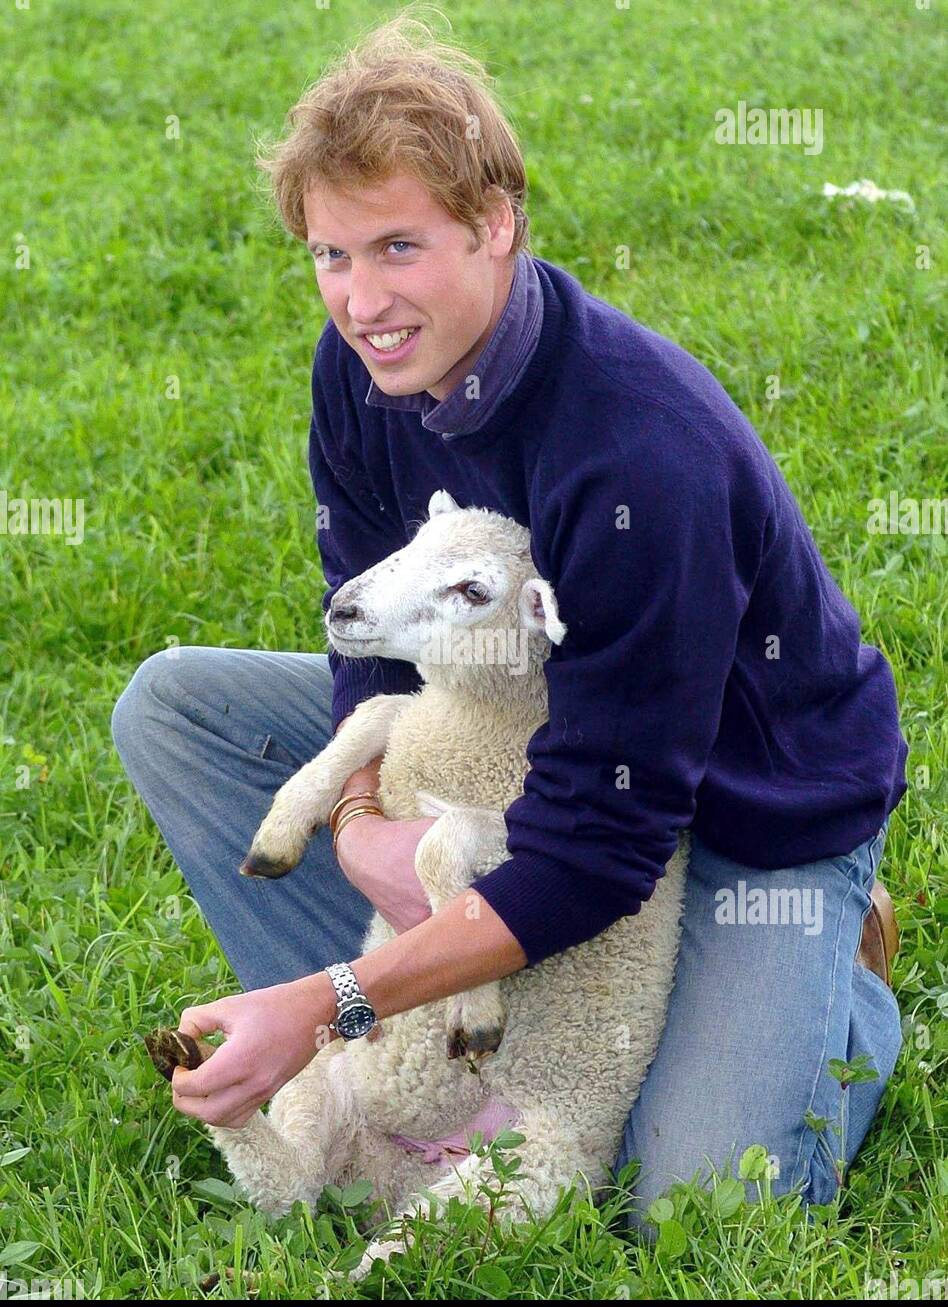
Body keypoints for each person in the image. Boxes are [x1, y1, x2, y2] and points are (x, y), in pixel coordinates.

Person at [111, 14, 907, 1226]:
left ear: (497, 224)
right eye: (330, 255)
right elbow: (360, 629)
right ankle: (421, 1001)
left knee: (687, 1204)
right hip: (490, 751)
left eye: (397, 246)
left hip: (734, 809)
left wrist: (328, 995)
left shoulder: (642, 455)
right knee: (172, 709)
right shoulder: (365, 368)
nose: (362, 300)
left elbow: (600, 839)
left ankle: (824, 993)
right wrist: (364, 814)